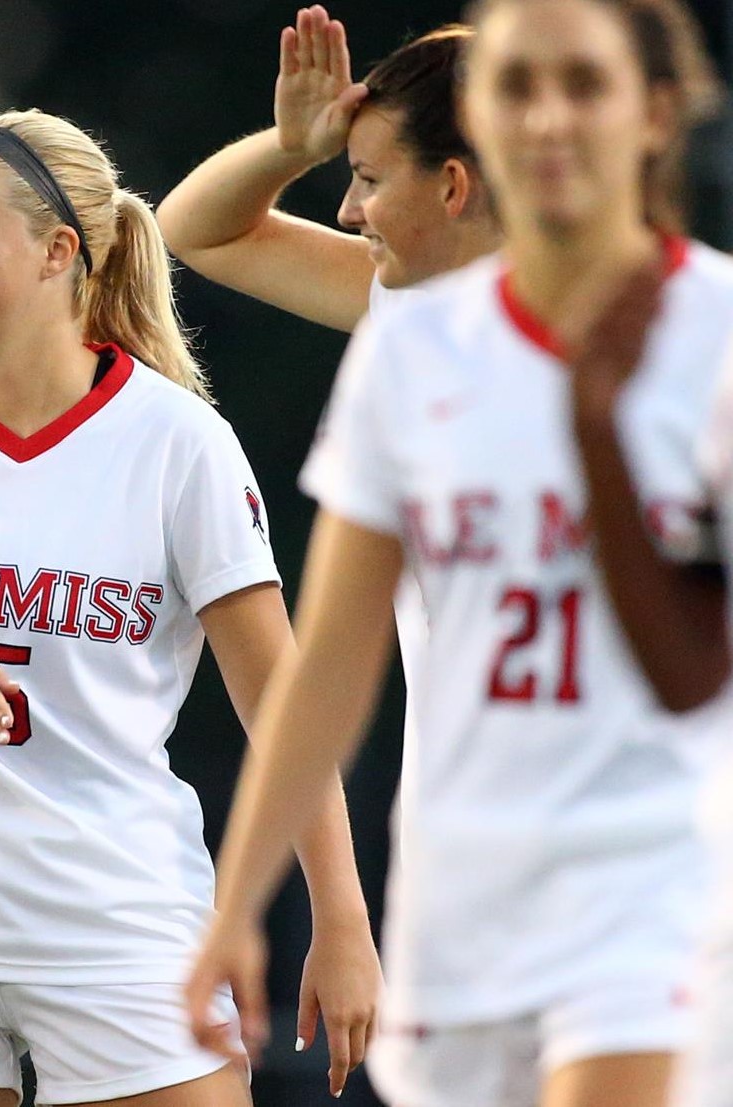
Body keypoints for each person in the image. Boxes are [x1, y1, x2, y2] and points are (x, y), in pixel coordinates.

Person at [0, 108, 381, 1107]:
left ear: (58, 251)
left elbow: (284, 702)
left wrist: (339, 923)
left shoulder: (177, 442)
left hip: (118, 926)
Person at [183, 2, 728, 1105]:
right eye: (515, 86)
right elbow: (329, 663)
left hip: (653, 879)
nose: (544, 118)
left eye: (581, 83)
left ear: (655, 112)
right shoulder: (412, 343)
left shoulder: (712, 336)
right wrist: (236, 903)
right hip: (459, 890)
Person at [156, 6, 497, 332]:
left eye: (370, 180)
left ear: (452, 186)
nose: (347, 213)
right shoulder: (416, 301)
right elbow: (196, 234)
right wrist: (294, 148)